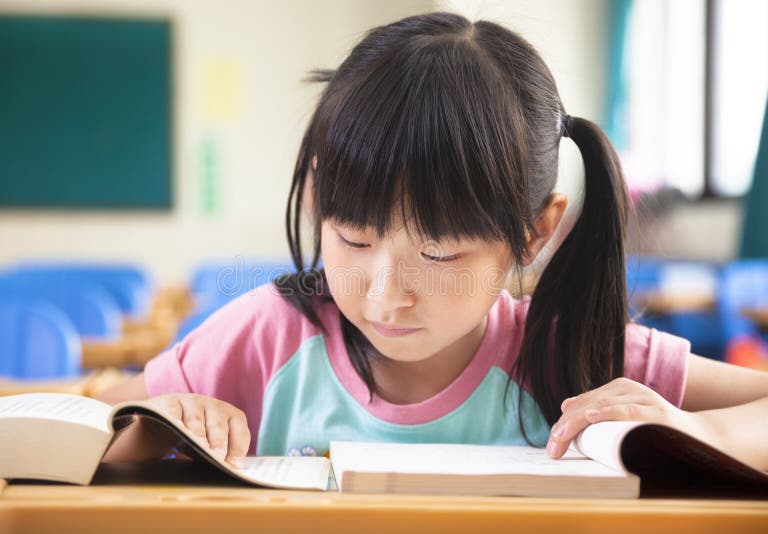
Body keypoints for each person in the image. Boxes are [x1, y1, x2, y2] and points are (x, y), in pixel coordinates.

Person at [98, 11, 768, 470]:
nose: (387, 297)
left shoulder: (577, 354)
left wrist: (695, 431)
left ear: (533, 233)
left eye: (441, 255)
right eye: (354, 240)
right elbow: (78, 427)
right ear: (316, 201)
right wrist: (146, 423)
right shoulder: (267, 339)